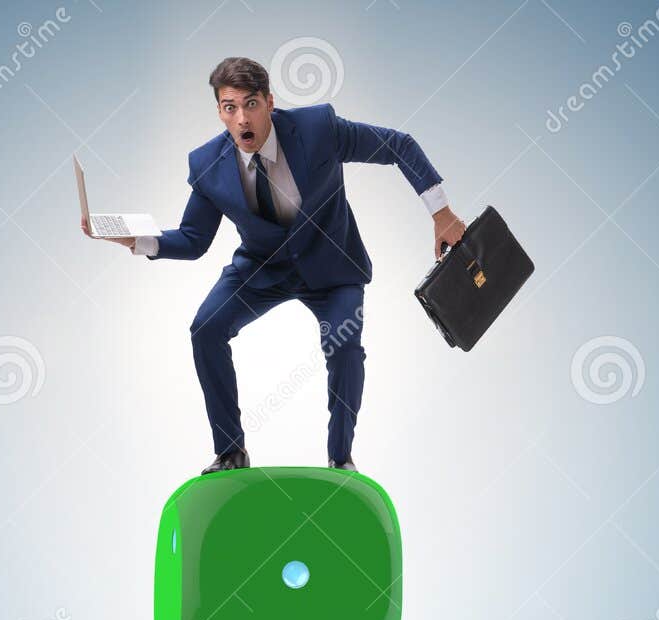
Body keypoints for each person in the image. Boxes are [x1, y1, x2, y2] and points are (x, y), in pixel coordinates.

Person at [82, 55, 465, 474]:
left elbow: (398, 146)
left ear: (269, 101)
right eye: (230, 107)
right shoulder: (207, 165)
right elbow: (194, 240)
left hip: (332, 269)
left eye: (251, 104)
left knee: (344, 347)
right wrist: (137, 240)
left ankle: (341, 459)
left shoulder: (319, 130)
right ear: (219, 112)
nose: (242, 118)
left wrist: (441, 213)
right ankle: (231, 452)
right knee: (205, 330)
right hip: (261, 270)